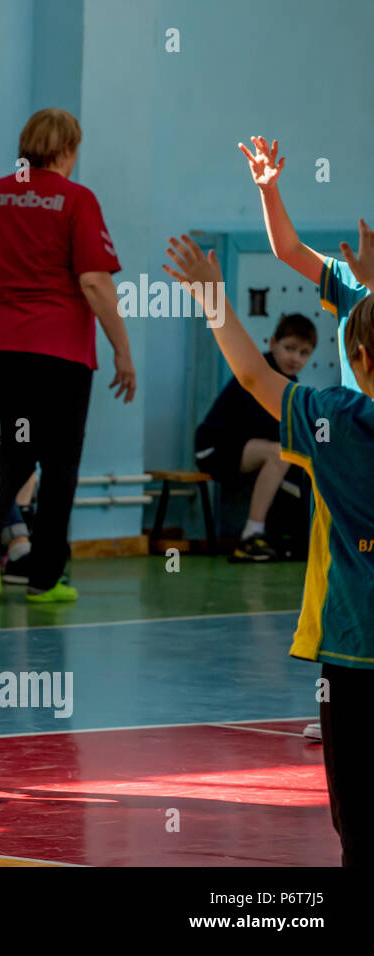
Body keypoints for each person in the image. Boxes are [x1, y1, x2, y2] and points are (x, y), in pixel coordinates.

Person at [165, 234, 374, 867]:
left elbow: (255, 375)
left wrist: (209, 293)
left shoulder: (334, 420)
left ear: (357, 357)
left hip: (353, 649)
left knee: (358, 822)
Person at [0, 108, 136, 602]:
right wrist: (123, 350)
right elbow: (95, 282)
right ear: (68, 150)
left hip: (1, 347)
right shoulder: (76, 199)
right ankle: (45, 578)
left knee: (15, 450)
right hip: (61, 352)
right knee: (59, 464)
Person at [239, 136, 373, 740]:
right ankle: (337, 687)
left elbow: (250, 373)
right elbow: (288, 247)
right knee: (338, 567)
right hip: (346, 446)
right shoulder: (350, 283)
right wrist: (269, 190)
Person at [194, 313, 315, 561]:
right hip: (212, 449)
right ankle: (251, 535)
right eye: (289, 348)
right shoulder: (262, 373)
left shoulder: (290, 382)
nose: (295, 358)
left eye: (303, 353)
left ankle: (296, 535)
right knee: (280, 454)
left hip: (245, 448)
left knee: (299, 461)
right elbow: (268, 428)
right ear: (272, 344)